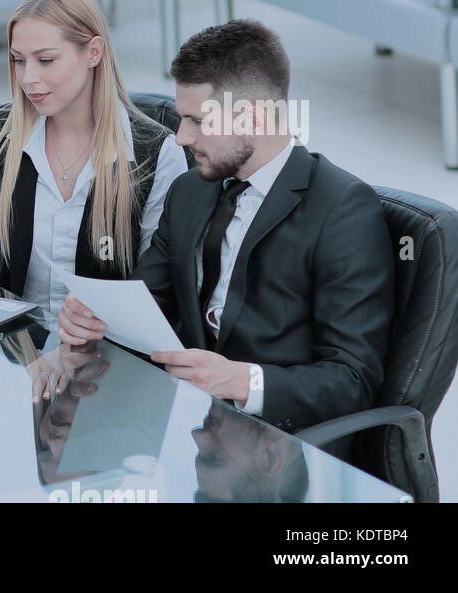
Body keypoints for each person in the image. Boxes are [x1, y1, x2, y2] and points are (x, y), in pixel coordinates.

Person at [57, 20, 394, 455]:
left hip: (281, 450)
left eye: (198, 121)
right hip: (189, 425)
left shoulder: (342, 210)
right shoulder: (190, 191)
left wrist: (242, 381)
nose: (181, 137)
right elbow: (147, 301)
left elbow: (354, 379)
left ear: (251, 118)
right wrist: (96, 316)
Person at [0, 0, 189, 326]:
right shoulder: (0, 132)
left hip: (112, 352)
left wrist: (101, 321)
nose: (28, 78)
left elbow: (159, 287)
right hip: (13, 348)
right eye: (19, 61)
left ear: (93, 52)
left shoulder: (157, 153)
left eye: (46, 60)